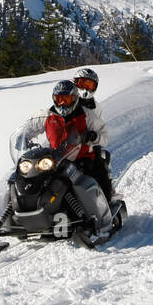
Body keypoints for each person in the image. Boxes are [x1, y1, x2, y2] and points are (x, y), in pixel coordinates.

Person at [44, 80, 114, 233]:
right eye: (59, 99)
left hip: (82, 157)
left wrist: (94, 136)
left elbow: (105, 135)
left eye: (66, 99)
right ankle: (42, 215)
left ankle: (106, 209)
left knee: (95, 174)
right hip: (58, 159)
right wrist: (23, 139)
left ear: (74, 99)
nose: (62, 103)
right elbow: (30, 126)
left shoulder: (86, 114)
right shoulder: (48, 115)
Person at [72, 67, 114, 200]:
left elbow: (101, 129)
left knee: (99, 172)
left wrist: (94, 136)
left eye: (90, 85)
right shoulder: (66, 99)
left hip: (88, 147)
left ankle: (107, 201)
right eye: (83, 84)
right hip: (66, 148)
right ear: (75, 82)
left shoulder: (96, 107)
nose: (86, 88)